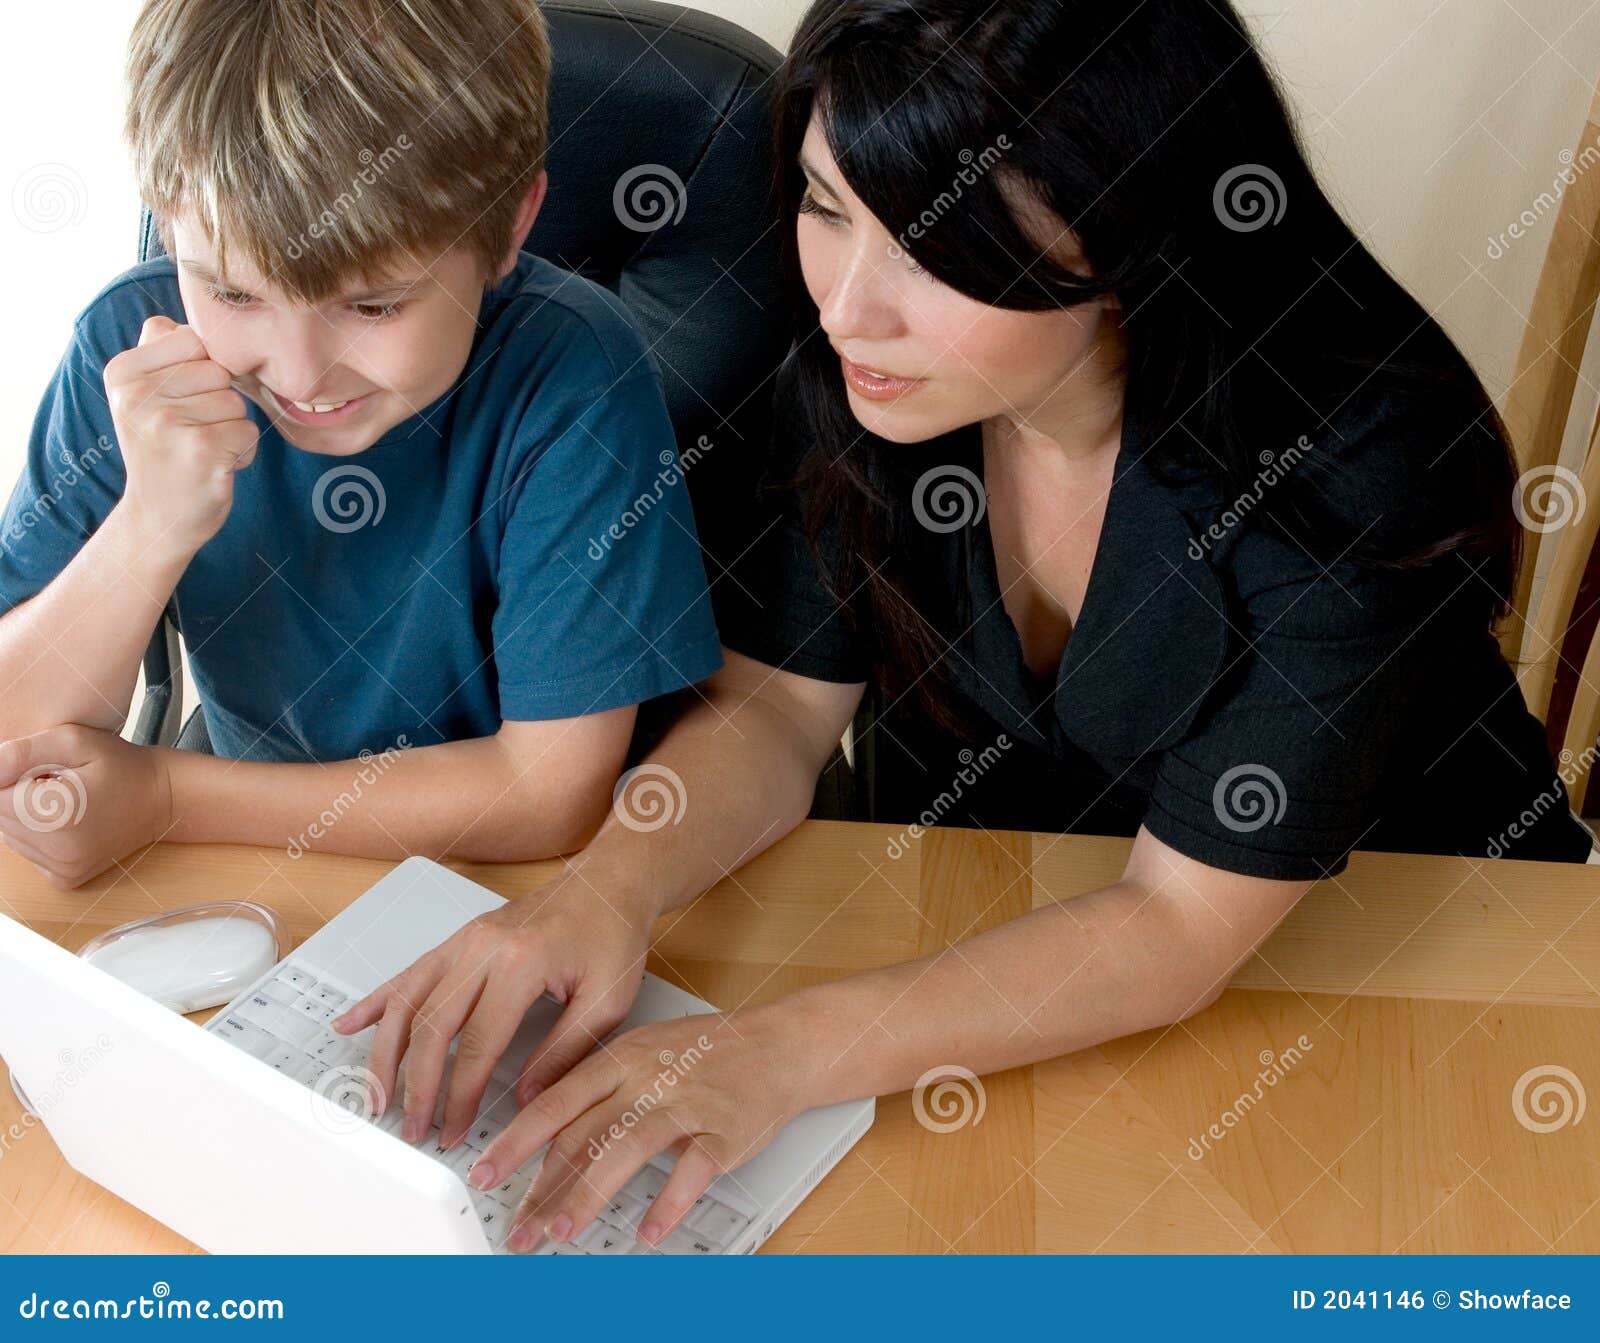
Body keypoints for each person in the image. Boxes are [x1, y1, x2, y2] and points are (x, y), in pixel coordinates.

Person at [334, 0, 1594, 1253]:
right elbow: (780, 710)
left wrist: (776, 1052)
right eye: (826, 207)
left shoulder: (1352, 453)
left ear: (1131, 231)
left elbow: (1178, 924)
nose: (847, 307)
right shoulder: (868, 375)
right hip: (1014, 938)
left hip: (1406, 958)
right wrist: (608, 891)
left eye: (940, 255)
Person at [0, 0, 722, 884]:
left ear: (512, 222)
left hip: (504, 882)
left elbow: (546, 794)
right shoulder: (129, 348)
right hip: (244, 866)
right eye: (231, 294)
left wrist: (165, 796)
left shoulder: (574, 373)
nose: (300, 377)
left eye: (374, 306)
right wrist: (148, 524)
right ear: (166, 217)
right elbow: (11, 735)